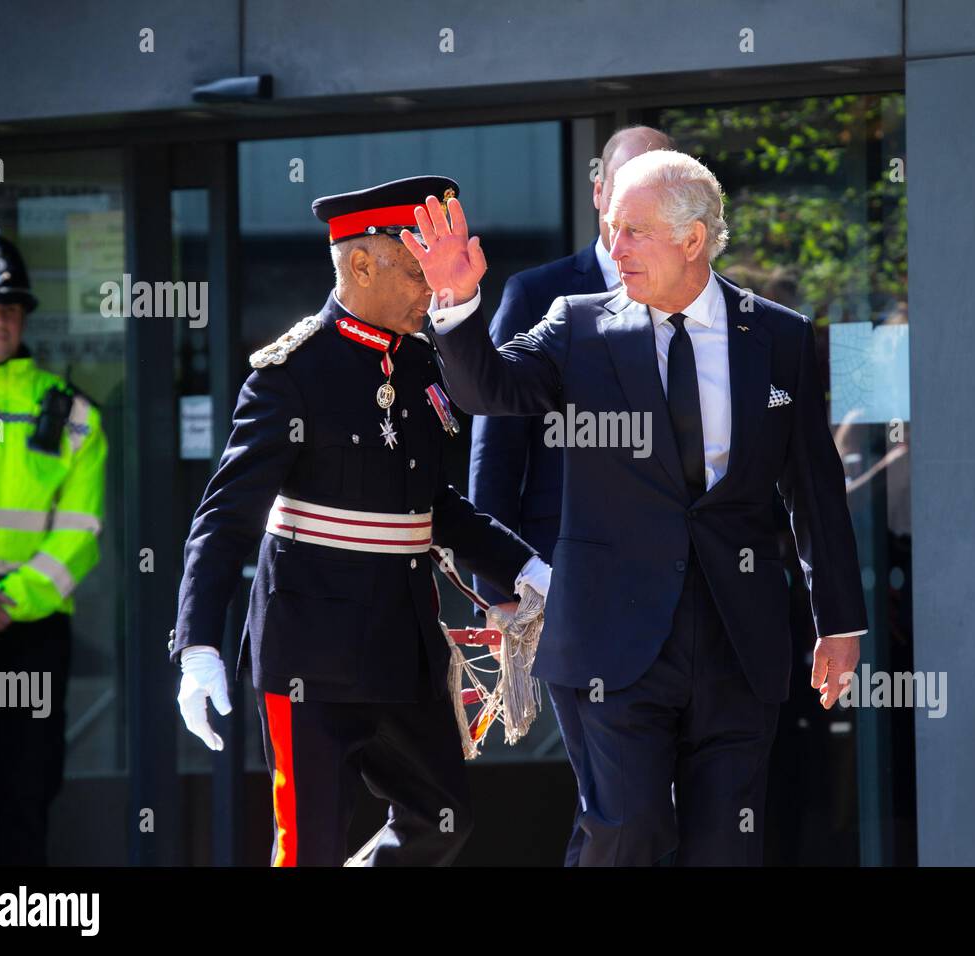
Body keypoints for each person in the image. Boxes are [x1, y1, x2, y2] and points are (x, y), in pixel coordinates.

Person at [405, 150, 867, 865]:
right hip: (608, 644)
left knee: (725, 848)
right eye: (612, 227)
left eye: (633, 231)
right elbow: (490, 390)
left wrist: (838, 621)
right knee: (627, 833)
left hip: (737, 642)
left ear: (692, 240)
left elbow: (813, 487)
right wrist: (458, 307)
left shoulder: (776, 337)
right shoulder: (578, 325)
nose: (613, 248)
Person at [169, 177, 548, 867]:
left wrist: (526, 567)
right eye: (414, 270)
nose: (430, 290)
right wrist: (198, 647)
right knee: (307, 846)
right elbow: (223, 516)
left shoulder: (424, 362)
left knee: (444, 820)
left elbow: (439, 507)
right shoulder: (292, 371)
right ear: (361, 264)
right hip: (308, 655)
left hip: (402, 647)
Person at [468, 124, 671, 865]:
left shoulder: (696, 296)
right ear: (598, 194)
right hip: (567, 587)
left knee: (650, 797)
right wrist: (499, 583)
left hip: (675, 586)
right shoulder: (539, 293)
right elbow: (496, 444)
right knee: (614, 796)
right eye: (627, 185)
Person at [0, 221, 107, 865]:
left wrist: (8, 600)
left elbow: (81, 533)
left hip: (32, 628)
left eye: (10, 308)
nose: (0, 321)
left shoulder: (70, 413)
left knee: (29, 794)